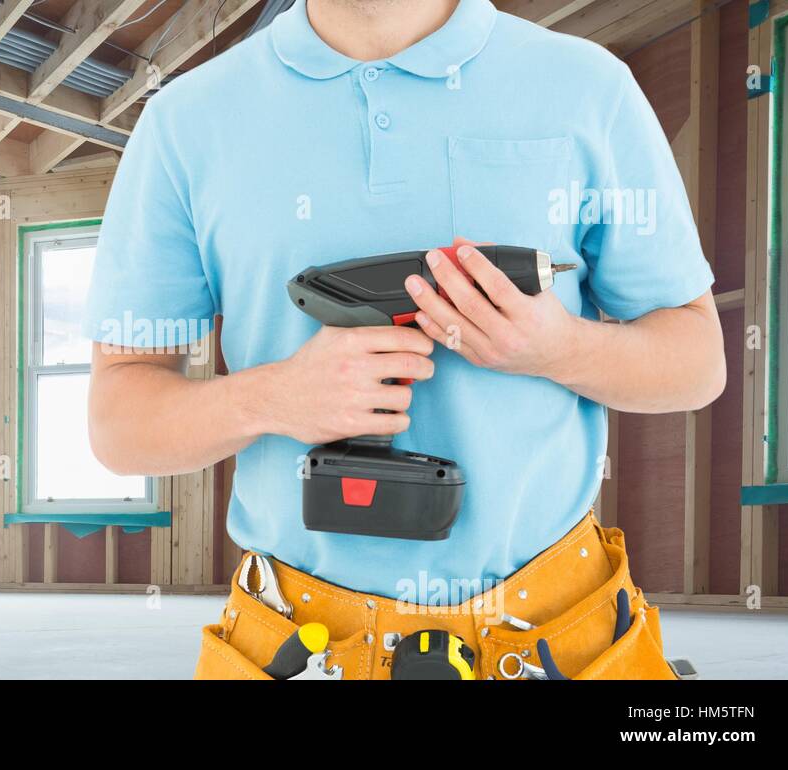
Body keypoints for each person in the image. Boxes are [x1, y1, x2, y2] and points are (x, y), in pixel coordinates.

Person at [83, 0, 724, 679]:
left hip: (559, 639)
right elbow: (119, 425)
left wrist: (560, 347)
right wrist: (271, 399)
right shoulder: (187, 122)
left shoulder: (588, 87)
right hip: (299, 646)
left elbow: (698, 361)